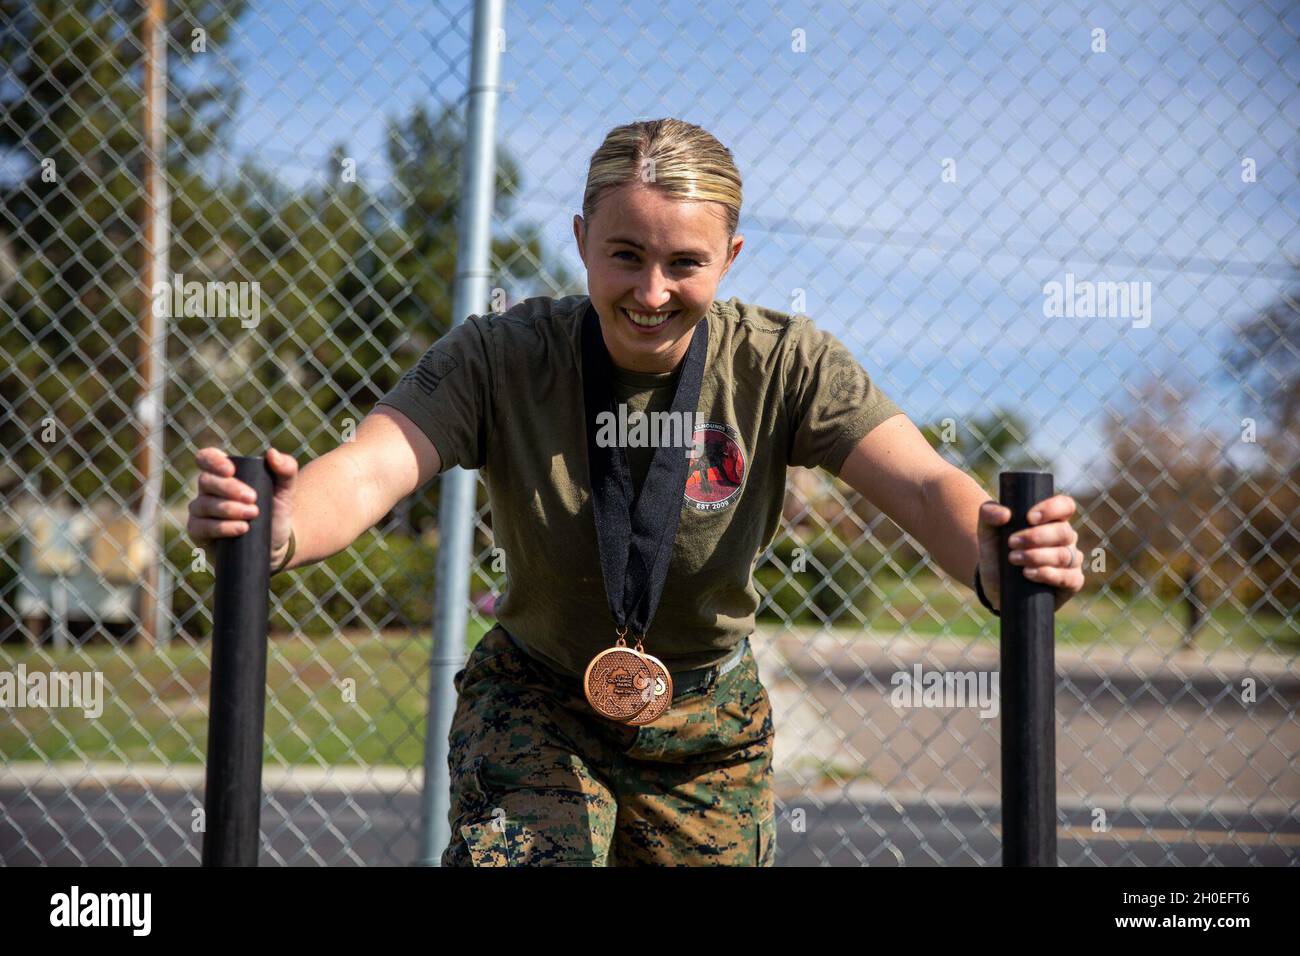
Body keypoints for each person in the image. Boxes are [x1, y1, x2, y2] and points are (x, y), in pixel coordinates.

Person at [187, 117, 1086, 866]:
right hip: (536, 699)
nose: (651, 292)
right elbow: (373, 464)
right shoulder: (502, 357)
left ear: (730, 258)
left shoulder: (782, 362)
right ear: (580, 240)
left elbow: (927, 485)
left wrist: (998, 554)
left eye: (685, 264)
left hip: (707, 725)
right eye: (625, 255)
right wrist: (280, 522)